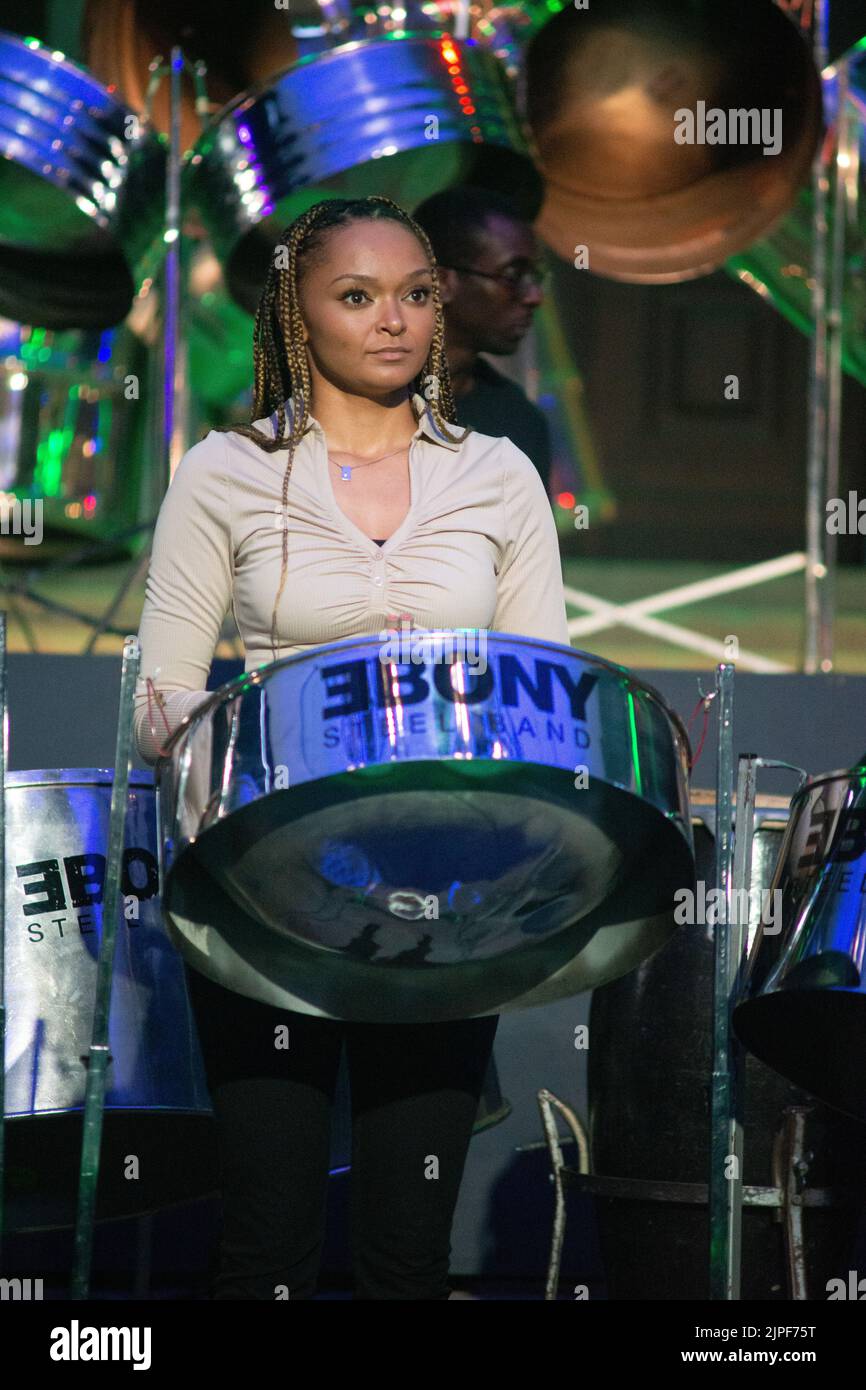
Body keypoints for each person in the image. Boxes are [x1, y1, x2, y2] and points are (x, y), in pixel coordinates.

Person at [133, 194, 570, 1300]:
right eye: (358, 295)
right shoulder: (224, 472)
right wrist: (252, 735)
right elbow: (162, 695)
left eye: (416, 294)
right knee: (269, 1242)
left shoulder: (498, 474)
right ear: (300, 312)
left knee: (404, 1253)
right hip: (270, 891)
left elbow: (543, 696)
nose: (395, 321)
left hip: (446, 894)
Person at [412, 185, 553, 493]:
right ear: (441, 282)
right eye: (513, 275)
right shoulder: (367, 399)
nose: (534, 296)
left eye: (536, 277)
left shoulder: (518, 423)